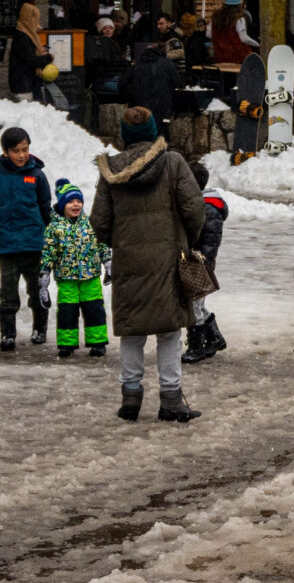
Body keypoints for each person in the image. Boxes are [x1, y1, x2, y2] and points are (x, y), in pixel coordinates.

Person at [92, 134, 206, 424]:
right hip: (168, 259)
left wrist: (121, 242)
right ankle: (171, 400)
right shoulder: (173, 163)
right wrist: (185, 239)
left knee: (132, 331)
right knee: (169, 333)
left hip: (128, 261)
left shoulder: (111, 171)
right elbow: (194, 209)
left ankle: (130, 397)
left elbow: (100, 223)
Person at [0, 126, 54, 351]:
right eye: (16, 151)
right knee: (8, 292)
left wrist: (52, 240)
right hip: (7, 246)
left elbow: (46, 209)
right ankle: (8, 334)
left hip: (34, 245)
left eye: (25, 149)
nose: (21, 155)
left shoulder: (37, 175)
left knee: (38, 289)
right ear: (6, 151)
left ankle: (40, 329)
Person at [41, 178, 110, 359]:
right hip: (67, 279)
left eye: (79, 201)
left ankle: (98, 343)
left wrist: (108, 262)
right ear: (63, 204)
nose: (76, 205)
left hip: (91, 277)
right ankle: (67, 344)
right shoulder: (55, 227)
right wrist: (45, 273)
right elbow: (48, 252)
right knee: (67, 312)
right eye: (71, 201)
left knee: (94, 310)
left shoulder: (89, 223)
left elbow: (101, 244)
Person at [180, 158, 230, 364]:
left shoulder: (207, 208)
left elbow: (211, 239)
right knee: (197, 304)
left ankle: (196, 346)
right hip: (196, 262)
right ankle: (215, 338)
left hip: (200, 264)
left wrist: (203, 260)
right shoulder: (199, 205)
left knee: (194, 306)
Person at [121, 38, 178, 137]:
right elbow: (177, 83)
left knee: (140, 132)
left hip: (140, 104)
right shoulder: (168, 64)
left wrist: (131, 97)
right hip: (162, 104)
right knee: (161, 131)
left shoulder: (136, 66)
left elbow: (123, 85)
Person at [7, 3, 51, 101]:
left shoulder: (26, 34)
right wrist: (47, 58)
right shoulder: (22, 36)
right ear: (29, 19)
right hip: (23, 84)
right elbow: (30, 60)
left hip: (26, 82)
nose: (37, 23)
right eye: (35, 20)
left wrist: (39, 53)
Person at [211, 0, 259, 65]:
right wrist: (257, 44)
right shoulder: (239, 18)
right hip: (238, 59)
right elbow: (243, 38)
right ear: (239, 4)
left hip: (220, 58)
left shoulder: (216, 17)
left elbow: (208, 34)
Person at [86, 17, 128, 98]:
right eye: (105, 28)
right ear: (100, 30)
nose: (108, 30)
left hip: (107, 81)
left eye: (110, 28)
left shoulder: (114, 43)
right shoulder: (101, 45)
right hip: (108, 81)